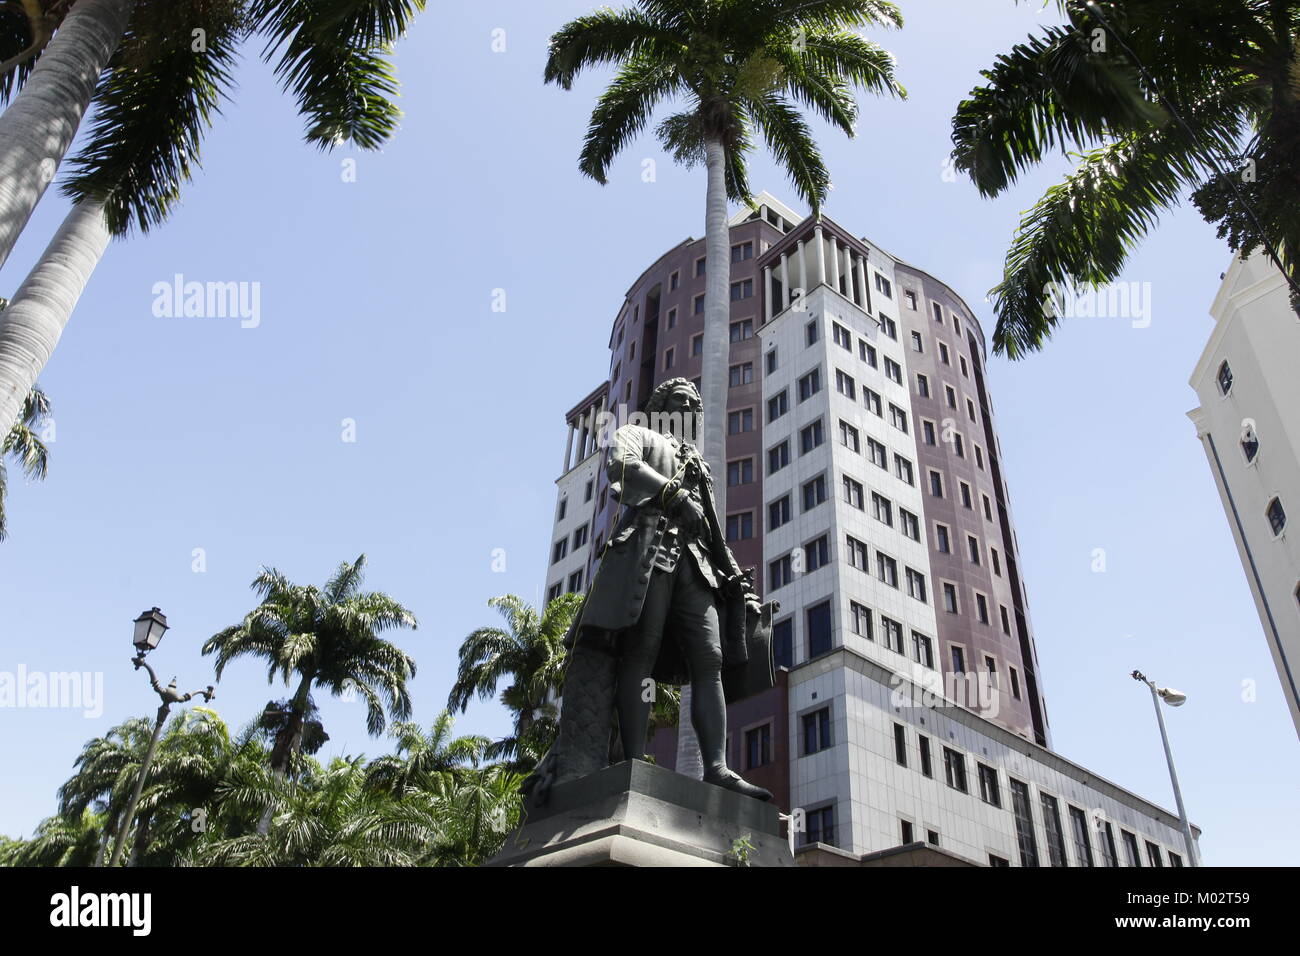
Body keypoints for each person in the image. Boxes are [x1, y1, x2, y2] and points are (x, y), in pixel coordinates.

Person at [530, 378, 774, 805]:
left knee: (711, 657)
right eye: (683, 400)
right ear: (662, 404)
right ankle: (634, 760)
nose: (690, 409)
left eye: (696, 405)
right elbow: (620, 467)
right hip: (649, 550)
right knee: (641, 649)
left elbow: (712, 528)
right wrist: (670, 492)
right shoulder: (637, 434)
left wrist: (736, 579)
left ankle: (716, 767)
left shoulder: (700, 462)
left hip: (696, 565)